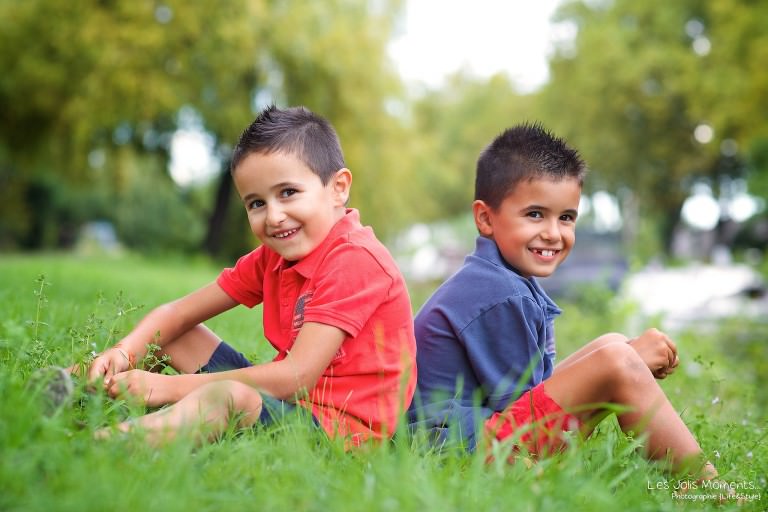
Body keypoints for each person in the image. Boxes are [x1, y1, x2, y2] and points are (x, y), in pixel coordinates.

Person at [81, 105, 417, 446]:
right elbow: (178, 313)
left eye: (288, 193)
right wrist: (123, 352)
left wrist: (168, 387)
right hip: (289, 403)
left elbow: (295, 377)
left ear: (338, 187)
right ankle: (78, 389)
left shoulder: (355, 259)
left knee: (227, 397)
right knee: (174, 334)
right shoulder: (273, 257)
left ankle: (104, 445)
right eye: (256, 203)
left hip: (340, 433)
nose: (274, 216)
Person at [407, 122, 716, 478]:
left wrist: (623, 359)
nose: (553, 233)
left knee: (613, 346)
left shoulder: (502, 278)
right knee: (617, 359)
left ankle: (628, 373)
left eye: (566, 217)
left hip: (463, 435)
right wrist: (624, 366)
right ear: (485, 218)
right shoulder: (498, 292)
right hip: (452, 450)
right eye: (535, 214)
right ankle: (708, 489)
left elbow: (539, 399)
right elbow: (523, 419)